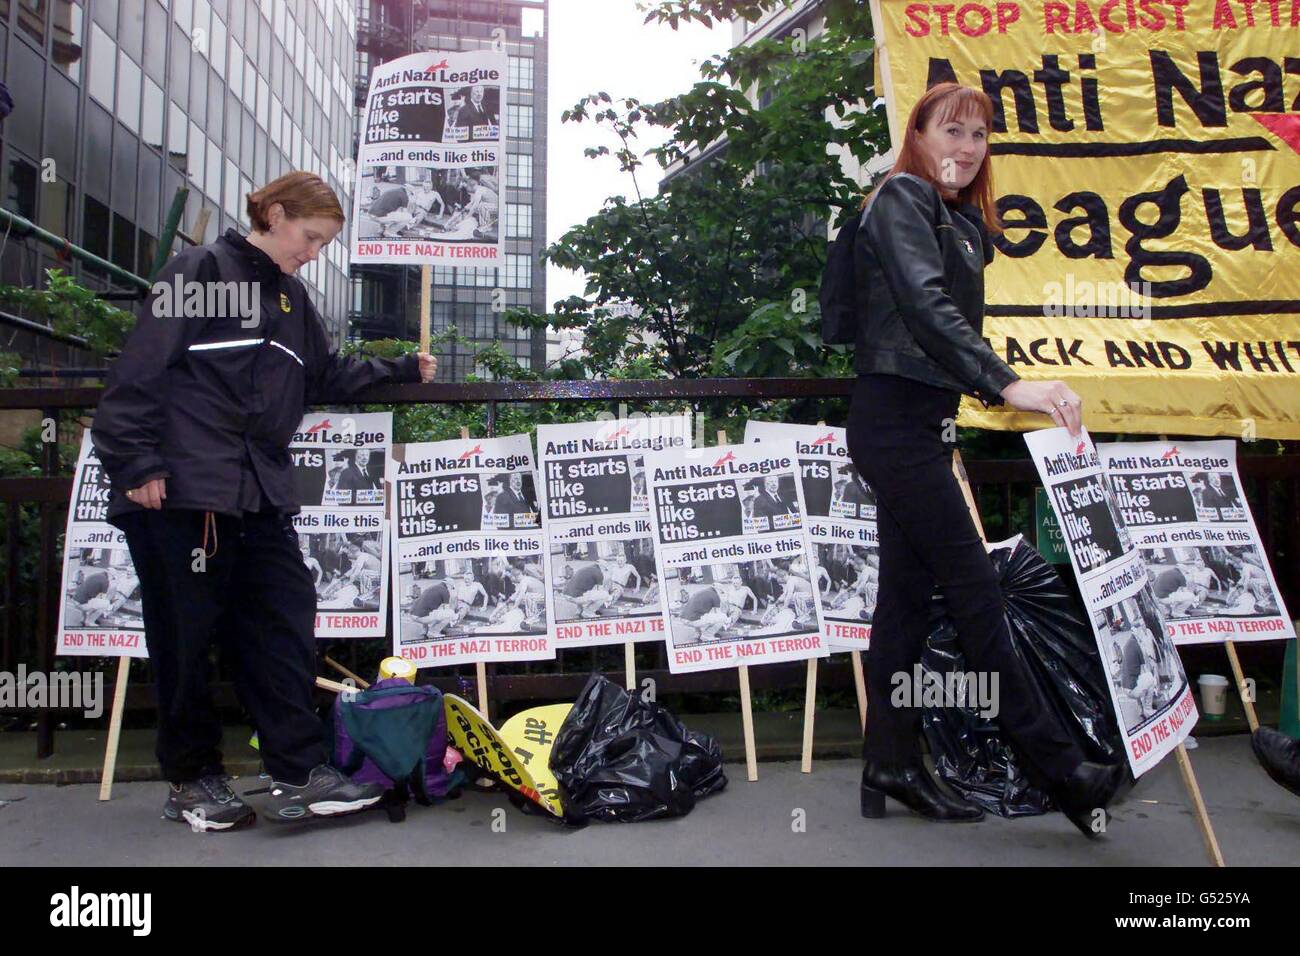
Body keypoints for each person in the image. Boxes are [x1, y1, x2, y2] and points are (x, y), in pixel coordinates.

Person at [91, 171, 438, 831]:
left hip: (258, 497)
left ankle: (298, 773)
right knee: (185, 643)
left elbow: (325, 374)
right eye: (308, 237)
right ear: (274, 214)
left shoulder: (292, 301)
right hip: (180, 492)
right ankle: (193, 781)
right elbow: (137, 368)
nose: (313, 252)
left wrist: (396, 368)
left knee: (283, 625)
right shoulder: (197, 270)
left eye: (322, 244)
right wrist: (134, 461)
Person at [844, 83, 1122, 836]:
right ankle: (1062, 768)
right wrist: (1009, 382)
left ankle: (892, 762)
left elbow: (938, 323)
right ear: (919, 134)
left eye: (979, 135)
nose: (966, 148)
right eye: (951, 130)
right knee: (976, 593)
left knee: (903, 604)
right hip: (894, 425)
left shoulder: (957, 219)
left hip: (918, 425)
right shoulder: (902, 196)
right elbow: (927, 308)